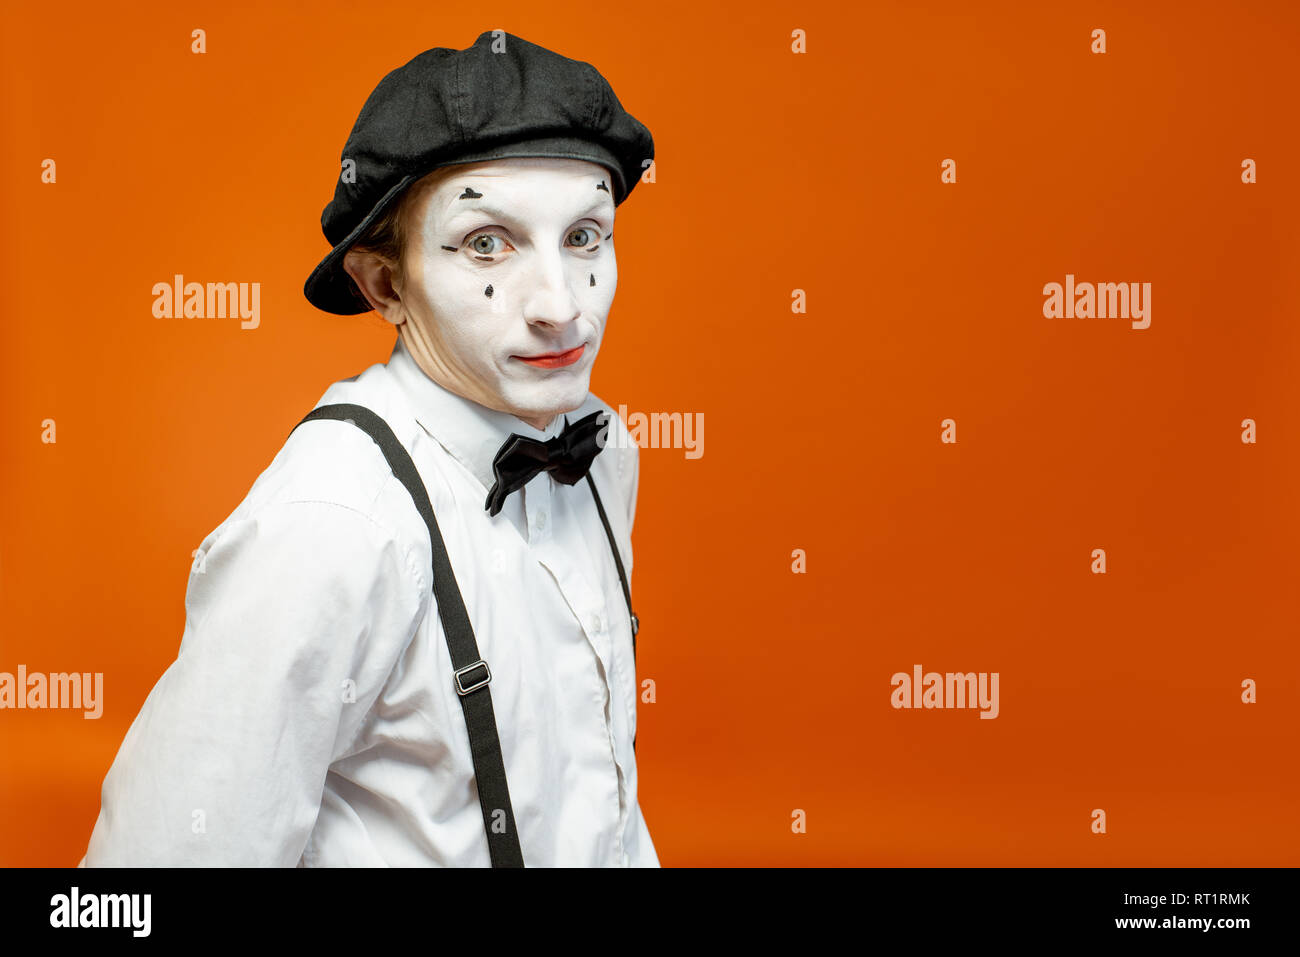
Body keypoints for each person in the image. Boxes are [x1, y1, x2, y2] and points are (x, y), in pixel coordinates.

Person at [79, 29, 658, 866]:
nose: (559, 306)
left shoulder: (604, 451)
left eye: (583, 236)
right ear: (385, 282)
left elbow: (597, 800)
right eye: (487, 243)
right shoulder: (335, 521)